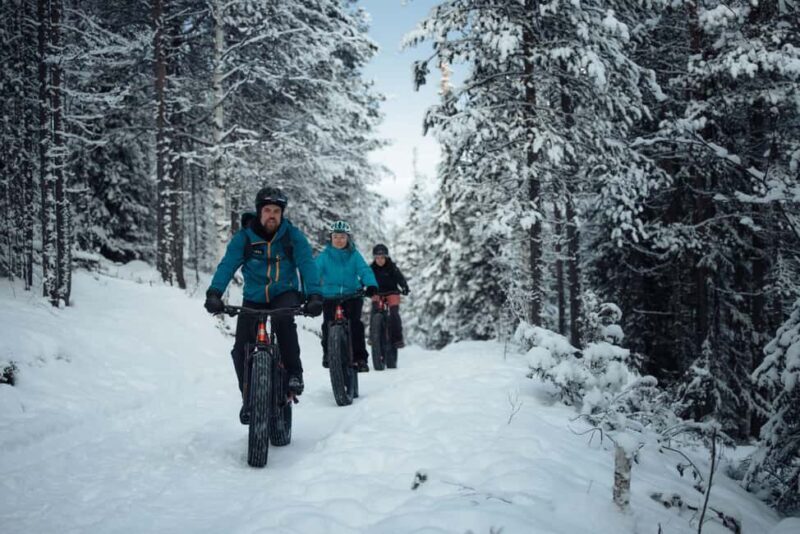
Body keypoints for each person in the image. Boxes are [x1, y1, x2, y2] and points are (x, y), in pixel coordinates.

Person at [204, 187, 323, 421]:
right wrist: (214, 293)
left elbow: (307, 264)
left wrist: (315, 296)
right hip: (255, 297)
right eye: (267, 210)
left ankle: (294, 374)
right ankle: (249, 399)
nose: (271, 215)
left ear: (282, 214)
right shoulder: (245, 238)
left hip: (284, 292)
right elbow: (228, 265)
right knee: (240, 349)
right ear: (259, 212)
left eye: (276, 211)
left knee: (282, 319)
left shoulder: (292, 236)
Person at [315, 220, 378, 372]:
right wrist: (309, 292)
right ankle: (328, 354)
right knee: (327, 325)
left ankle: (360, 358)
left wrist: (371, 285)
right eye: (336, 236)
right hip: (330, 296)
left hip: (352, 295)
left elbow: (364, 270)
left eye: (342, 237)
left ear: (348, 238)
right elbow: (314, 274)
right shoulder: (324, 256)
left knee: (355, 324)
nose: (339, 240)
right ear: (331, 238)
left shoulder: (354, 255)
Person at [369, 244, 410, 348]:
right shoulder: (371, 268)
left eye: (382, 257)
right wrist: (361, 287)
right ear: (374, 258)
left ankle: (397, 339)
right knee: (374, 312)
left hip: (392, 292)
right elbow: (365, 279)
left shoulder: (392, 267)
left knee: (394, 313)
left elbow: (400, 278)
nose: (380, 260)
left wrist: (404, 287)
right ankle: (372, 336)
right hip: (377, 293)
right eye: (377, 258)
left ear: (386, 257)